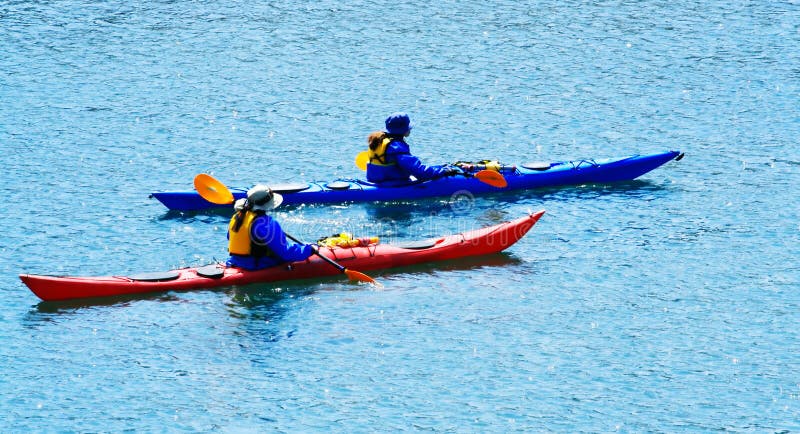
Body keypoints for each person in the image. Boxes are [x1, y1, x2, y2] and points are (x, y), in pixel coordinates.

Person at [226, 185, 315, 270]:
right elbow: (285, 252)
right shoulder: (267, 223)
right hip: (258, 264)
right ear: (267, 204)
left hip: (235, 261)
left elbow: (230, 237)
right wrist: (309, 250)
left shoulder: (237, 216)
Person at [366, 112, 459, 184]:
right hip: (393, 184)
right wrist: (444, 172)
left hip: (377, 181)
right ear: (402, 130)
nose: (410, 129)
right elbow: (419, 172)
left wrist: (441, 167)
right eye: (408, 127)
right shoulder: (397, 147)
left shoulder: (379, 140)